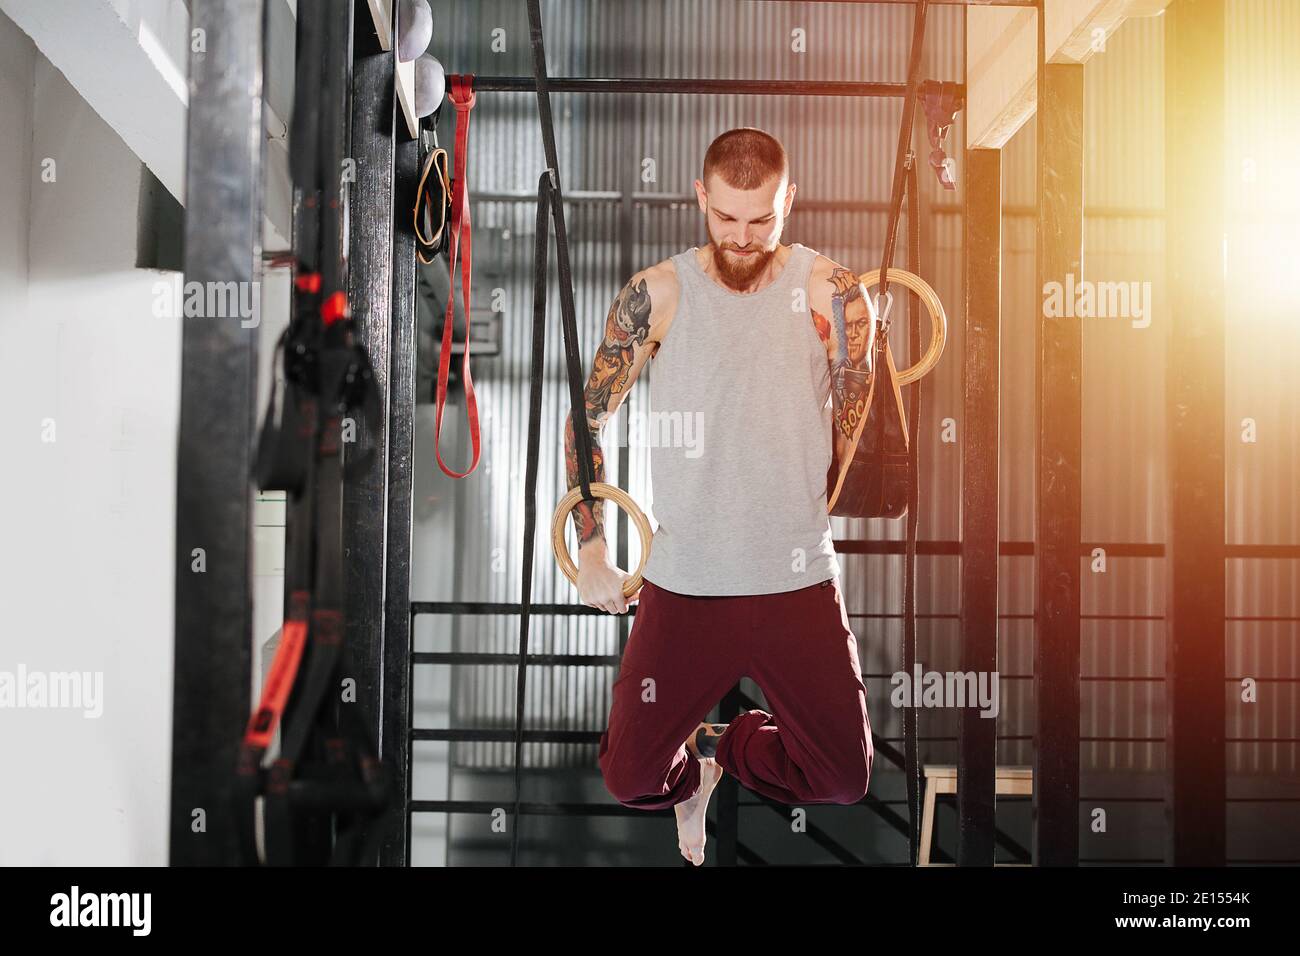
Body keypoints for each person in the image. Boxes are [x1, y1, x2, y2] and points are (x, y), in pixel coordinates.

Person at [564, 127, 874, 866]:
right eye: (727, 218)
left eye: (761, 219)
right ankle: (688, 781)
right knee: (631, 776)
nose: (742, 238)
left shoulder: (832, 293)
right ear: (701, 198)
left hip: (794, 580)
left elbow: (863, 440)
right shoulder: (658, 295)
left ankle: (722, 746)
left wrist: (863, 342)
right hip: (686, 581)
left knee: (841, 776)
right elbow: (587, 418)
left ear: (788, 201)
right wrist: (592, 545)